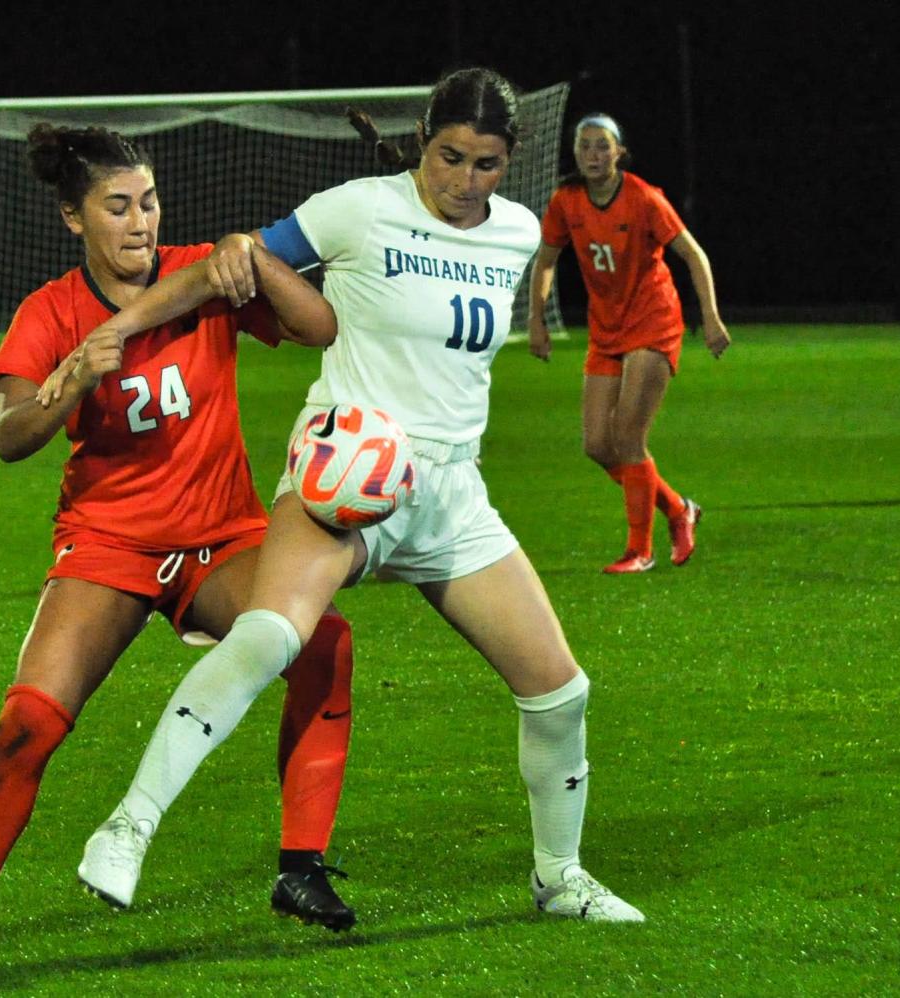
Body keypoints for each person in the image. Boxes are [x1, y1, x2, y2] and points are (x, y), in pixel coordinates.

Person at [73, 68, 645, 924]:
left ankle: (557, 879)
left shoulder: (519, 231)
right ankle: (125, 827)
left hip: (451, 491)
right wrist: (120, 326)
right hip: (345, 469)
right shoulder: (356, 207)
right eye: (448, 157)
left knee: (558, 689)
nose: (463, 182)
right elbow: (235, 270)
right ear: (424, 140)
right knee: (270, 636)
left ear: (509, 162)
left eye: (485, 165)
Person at [0, 123, 356, 954]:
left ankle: (301, 867)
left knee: (323, 641)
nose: (140, 221)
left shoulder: (200, 273)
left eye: (147, 201)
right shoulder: (50, 311)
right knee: (28, 724)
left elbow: (317, 326)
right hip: (109, 545)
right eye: (116, 207)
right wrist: (71, 377)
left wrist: (254, 258)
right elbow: (9, 436)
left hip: (222, 538)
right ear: (75, 220)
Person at [527, 113, 730, 573]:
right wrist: (536, 321)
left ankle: (640, 551)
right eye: (585, 147)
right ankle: (679, 509)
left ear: (619, 151)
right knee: (598, 445)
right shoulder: (567, 200)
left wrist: (712, 319)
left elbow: (693, 255)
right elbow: (546, 261)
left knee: (628, 438)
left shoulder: (643, 198)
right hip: (606, 329)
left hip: (652, 321)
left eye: (602, 146)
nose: (593, 155)